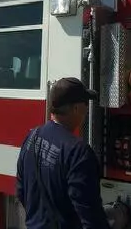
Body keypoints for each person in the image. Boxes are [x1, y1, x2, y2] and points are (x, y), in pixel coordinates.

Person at [16, 77, 111, 229]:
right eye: (85, 104)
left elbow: (21, 191)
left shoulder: (31, 137)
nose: (87, 110)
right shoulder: (78, 152)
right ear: (76, 108)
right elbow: (89, 214)